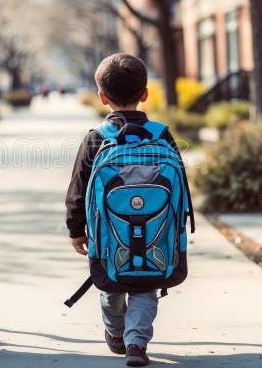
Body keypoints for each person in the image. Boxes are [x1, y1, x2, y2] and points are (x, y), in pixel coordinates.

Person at [65, 53, 180, 367]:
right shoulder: (161, 134)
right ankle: (136, 343)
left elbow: (78, 189)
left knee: (111, 284)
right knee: (145, 287)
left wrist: (76, 230)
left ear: (102, 97)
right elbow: (179, 186)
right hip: (156, 233)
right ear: (145, 94)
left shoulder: (96, 139)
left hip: (108, 238)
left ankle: (116, 335)